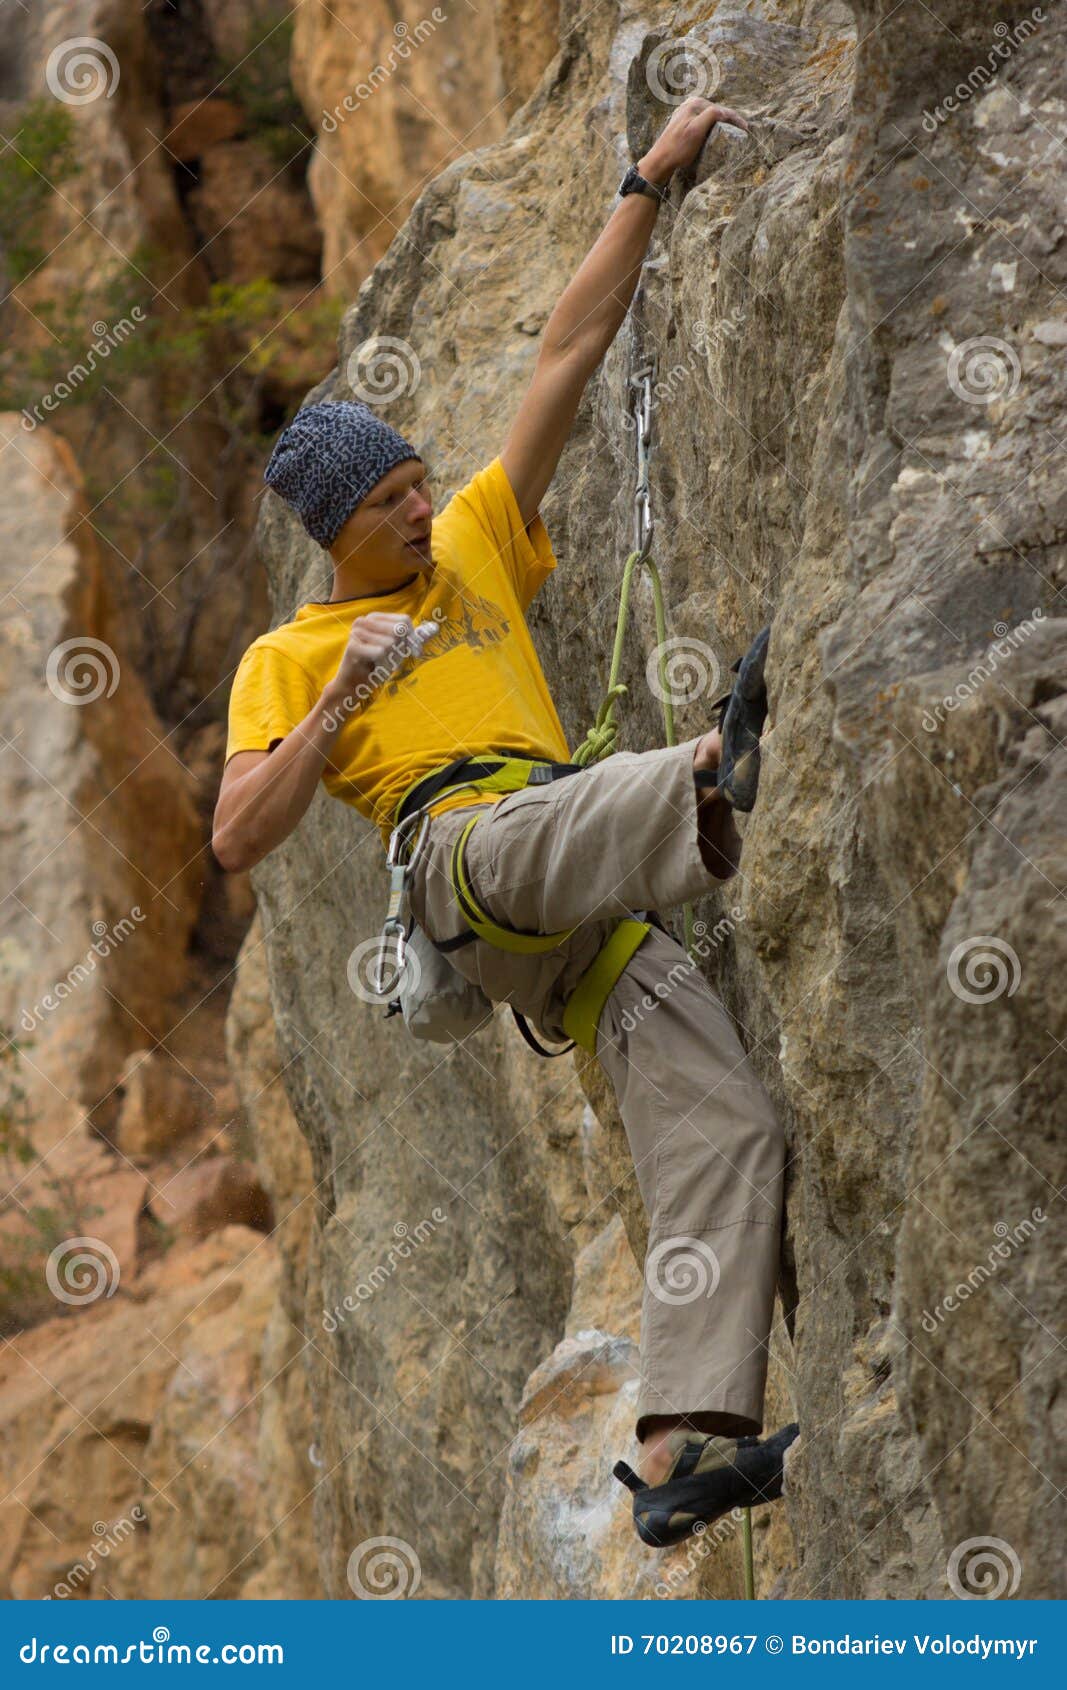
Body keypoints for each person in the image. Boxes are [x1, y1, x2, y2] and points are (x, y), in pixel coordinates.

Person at [213, 94, 797, 1548]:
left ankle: (675, 1450)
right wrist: (339, 704)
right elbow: (235, 835)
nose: (427, 508)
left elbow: (567, 353)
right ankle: (711, 769)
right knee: (539, 822)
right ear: (340, 529)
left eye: (422, 485)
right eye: (399, 498)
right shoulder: (286, 660)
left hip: (578, 902)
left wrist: (646, 183)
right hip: (464, 864)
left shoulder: (473, 542)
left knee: (724, 1123)